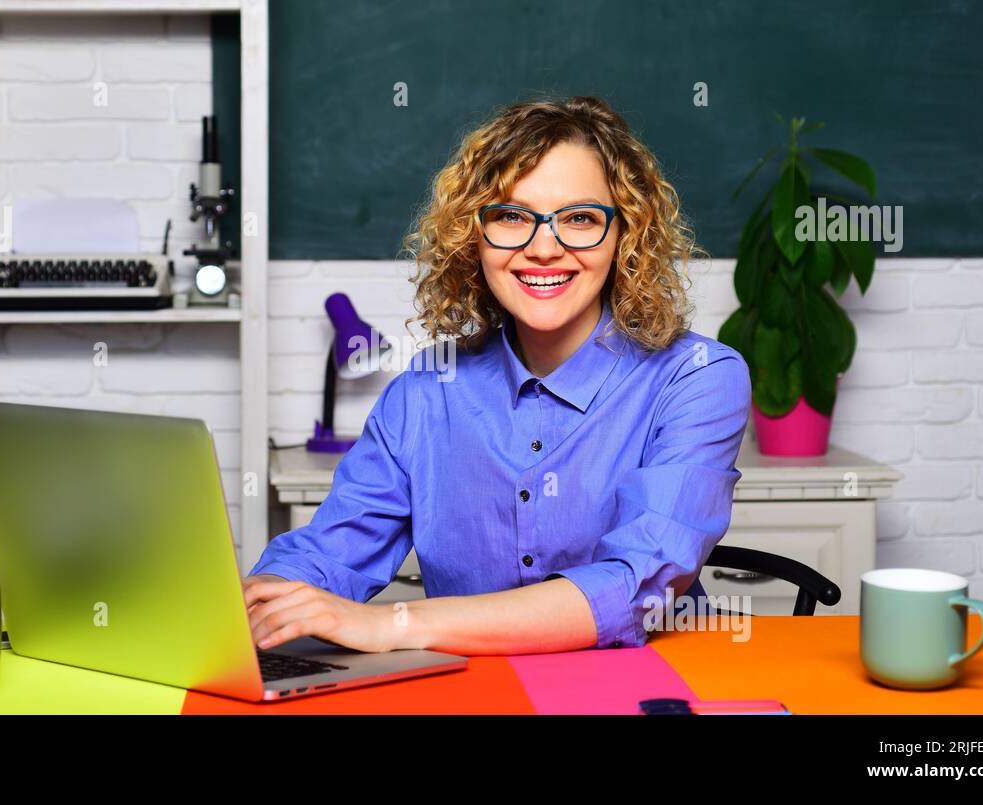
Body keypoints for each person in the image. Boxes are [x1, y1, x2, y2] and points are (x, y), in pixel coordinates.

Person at [244, 95, 751, 655]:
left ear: (623, 235)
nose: (543, 248)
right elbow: (328, 553)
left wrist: (394, 624)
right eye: (512, 216)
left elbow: (635, 586)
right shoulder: (424, 393)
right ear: (474, 237)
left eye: (580, 218)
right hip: (473, 694)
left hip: (649, 688)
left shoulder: (697, 379)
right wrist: (265, 598)